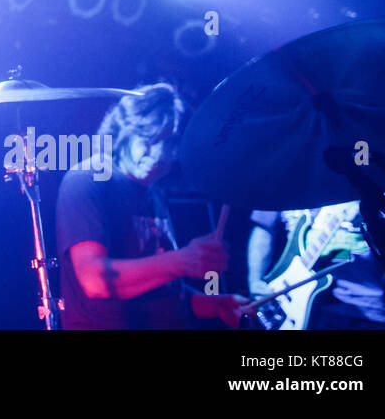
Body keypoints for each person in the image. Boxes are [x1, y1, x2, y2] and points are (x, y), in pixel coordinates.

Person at [55, 84, 246, 329]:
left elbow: (160, 292)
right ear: (125, 131)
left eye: (168, 145)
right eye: (149, 140)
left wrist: (215, 304)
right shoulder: (88, 179)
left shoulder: (154, 194)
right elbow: (96, 281)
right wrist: (182, 261)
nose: (156, 154)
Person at [247, 187, 385, 329]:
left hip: (368, 309)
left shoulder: (370, 170)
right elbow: (264, 228)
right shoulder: (283, 178)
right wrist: (255, 281)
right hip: (293, 302)